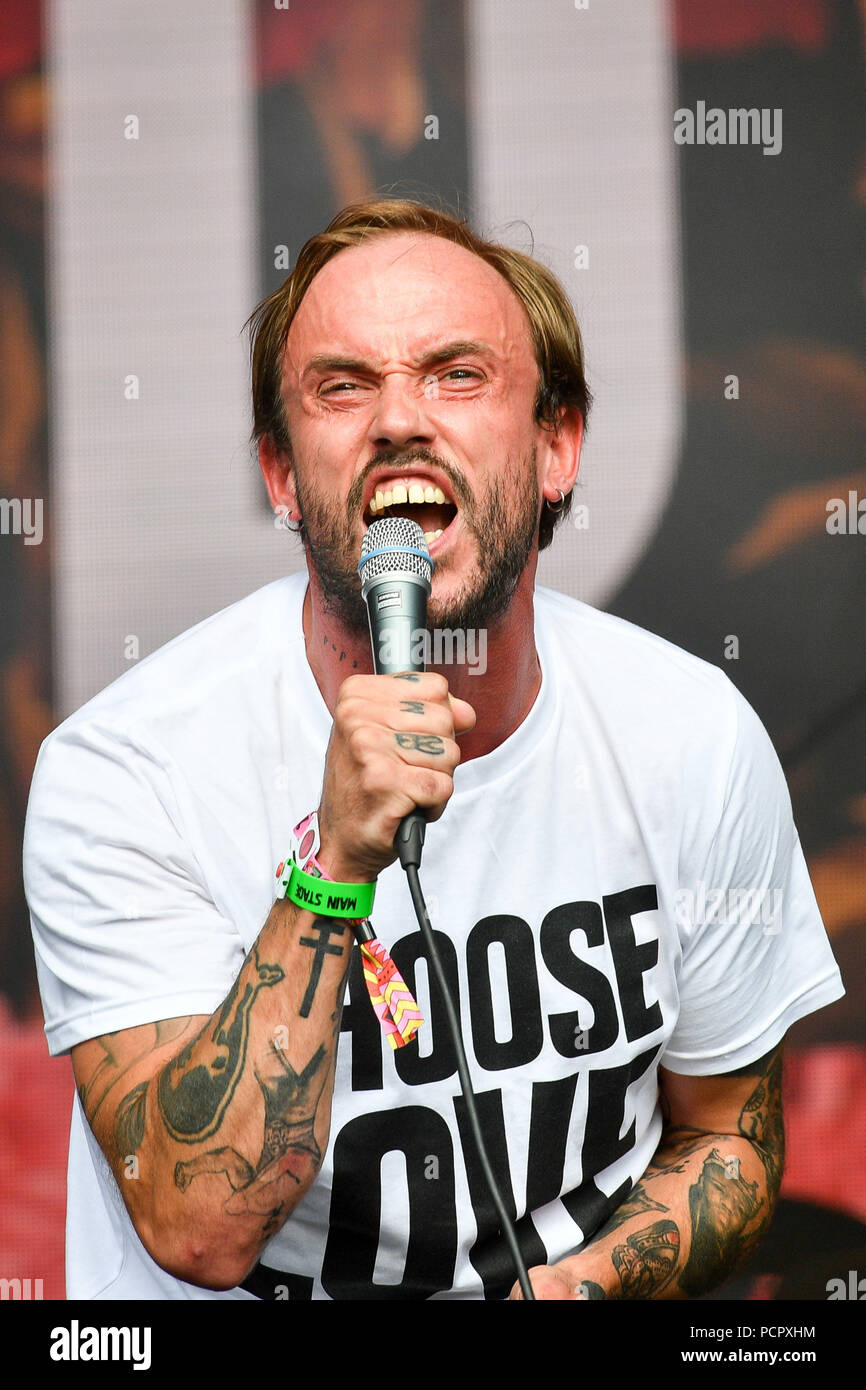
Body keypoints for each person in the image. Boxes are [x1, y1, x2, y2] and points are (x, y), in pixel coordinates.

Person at [24, 199, 844, 1301]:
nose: (398, 419)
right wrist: (331, 873)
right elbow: (196, 1226)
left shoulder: (689, 736)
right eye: (342, 385)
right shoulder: (123, 773)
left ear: (556, 447)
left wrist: (587, 1285)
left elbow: (726, 1141)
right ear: (280, 475)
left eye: (456, 374)